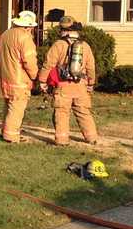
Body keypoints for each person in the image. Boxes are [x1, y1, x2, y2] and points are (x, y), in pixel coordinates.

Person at [36, 17, 99, 146]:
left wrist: (42, 81)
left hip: (63, 85)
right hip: (80, 85)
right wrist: (91, 83)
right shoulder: (85, 46)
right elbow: (91, 67)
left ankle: (62, 140)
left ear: (63, 30)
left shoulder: (59, 44)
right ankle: (91, 137)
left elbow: (48, 64)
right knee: (83, 112)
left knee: (62, 112)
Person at [0, 10, 40, 144]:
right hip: (19, 80)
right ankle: (11, 136)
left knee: (8, 105)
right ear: (27, 26)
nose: (32, 30)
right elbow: (29, 61)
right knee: (16, 108)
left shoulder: (5, 34)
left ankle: (5, 131)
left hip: (5, 77)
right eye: (32, 27)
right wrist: (35, 76)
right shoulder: (25, 38)